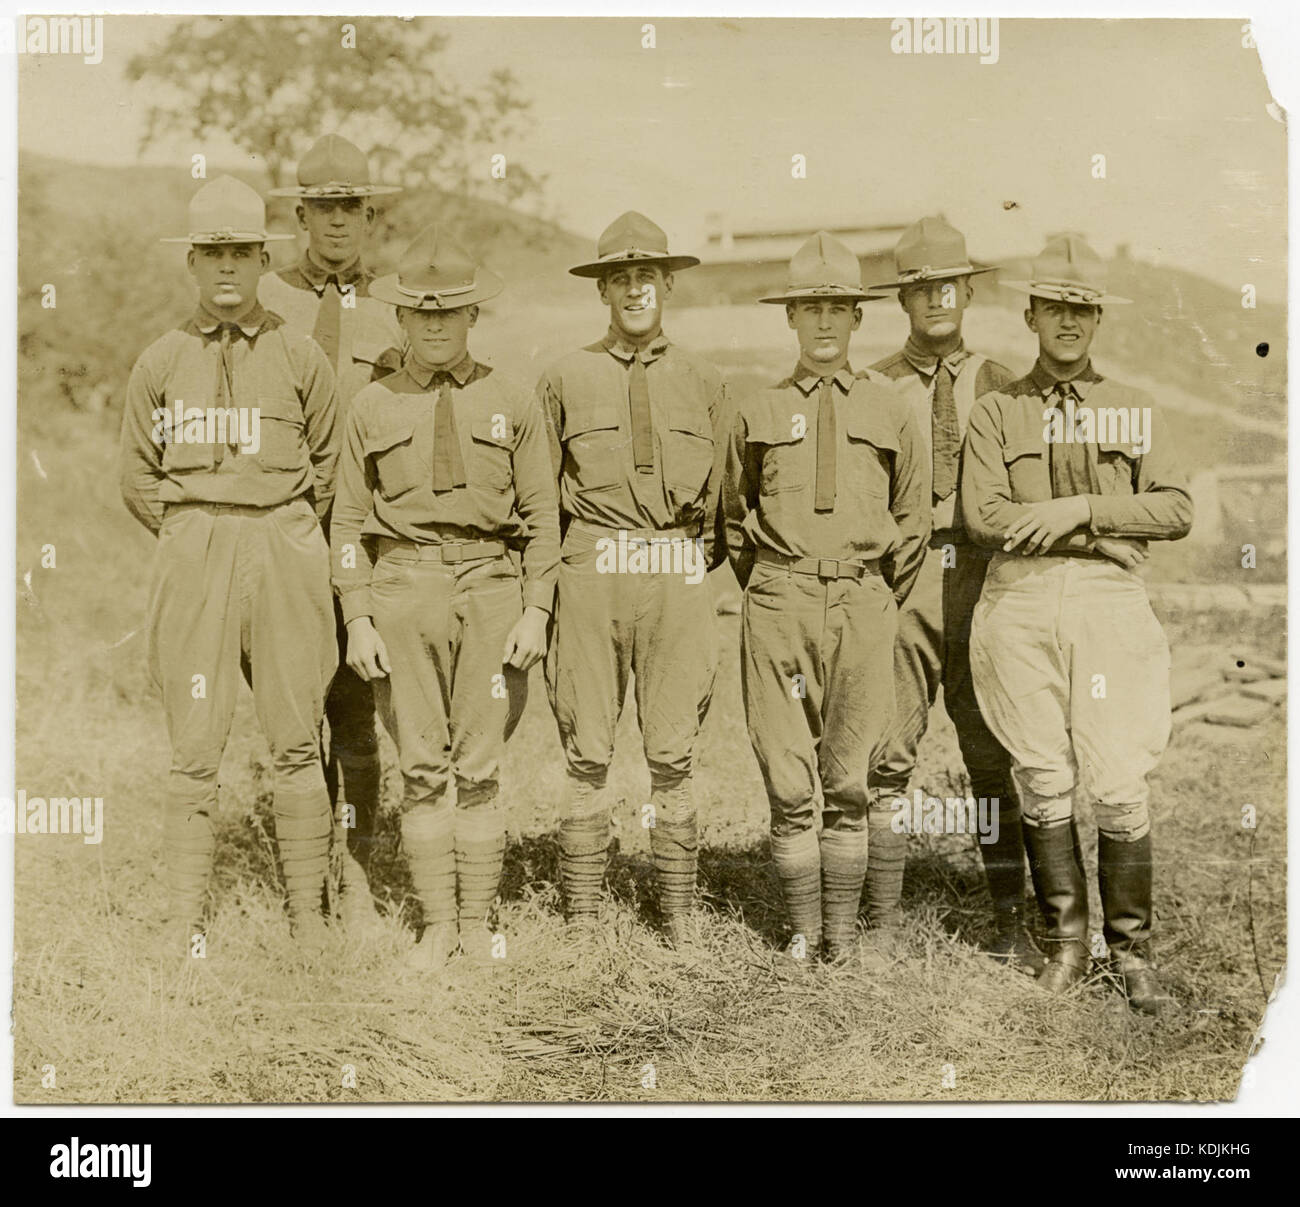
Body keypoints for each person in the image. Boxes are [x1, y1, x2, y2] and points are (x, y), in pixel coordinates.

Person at [961, 234, 1193, 1013]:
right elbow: (984, 516)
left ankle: (1129, 952)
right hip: (1021, 600)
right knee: (1043, 772)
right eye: (1056, 306)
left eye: (1083, 309)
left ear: (1098, 320)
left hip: (1106, 605)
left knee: (1120, 777)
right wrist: (1095, 531)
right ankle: (1064, 944)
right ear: (1030, 313)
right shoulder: (996, 410)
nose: (1069, 320)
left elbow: (1174, 507)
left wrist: (1079, 505)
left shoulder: (1133, 406)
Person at [119, 175, 340, 954]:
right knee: (194, 744)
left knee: (292, 737)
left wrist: (282, 532)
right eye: (211, 253)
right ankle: (186, 920)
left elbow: (330, 461)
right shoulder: (160, 360)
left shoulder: (300, 353)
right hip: (195, 552)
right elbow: (137, 477)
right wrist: (192, 536)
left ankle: (307, 919)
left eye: (241, 253)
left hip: (282, 546)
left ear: (261, 259)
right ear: (190, 261)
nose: (225, 269)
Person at [331, 225, 560, 968]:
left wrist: (537, 607)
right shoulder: (369, 405)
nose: (435, 326)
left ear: (472, 318)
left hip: (492, 586)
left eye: (450, 314)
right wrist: (357, 614)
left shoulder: (513, 399)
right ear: (400, 320)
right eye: (421, 315)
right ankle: (437, 926)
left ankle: (479, 917)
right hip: (402, 587)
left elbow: (544, 515)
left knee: (481, 765)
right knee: (424, 767)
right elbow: (344, 521)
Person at [723, 231, 929, 963]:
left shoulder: (894, 406)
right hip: (777, 601)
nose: (824, 323)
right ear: (789, 318)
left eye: (838, 308)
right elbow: (733, 513)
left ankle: (842, 938)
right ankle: (804, 933)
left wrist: (864, 590)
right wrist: (782, 585)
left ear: (858, 317)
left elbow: (913, 519)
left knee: (849, 777)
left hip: (863, 603)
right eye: (809, 308)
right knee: (787, 775)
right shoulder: (754, 407)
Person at [537, 211, 728, 945]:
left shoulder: (706, 380)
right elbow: (538, 492)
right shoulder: (564, 377)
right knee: (586, 748)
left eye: (647, 275)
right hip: (594, 561)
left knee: (673, 750)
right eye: (621, 277)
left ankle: (676, 912)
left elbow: (723, 502)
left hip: (674, 560)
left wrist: (682, 559)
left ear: (668, 283)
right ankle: (583, 916)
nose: (635, 289)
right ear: (603, 291)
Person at [862, 216, 1035, 968]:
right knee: (886, 750)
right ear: (904, 298)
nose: (936, 297)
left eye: (949, 284)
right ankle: (880, 920)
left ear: (967, 290)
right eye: (921, 287)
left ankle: (1011, 916)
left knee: (993, 750)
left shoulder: (1002, 380)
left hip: (984, 575)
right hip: (906, 577)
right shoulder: (873, 384)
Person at [261, 134, 404, 925]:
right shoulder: (266, 301)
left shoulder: (396, 308)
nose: (339, 221)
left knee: (355, 712)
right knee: (292, 710)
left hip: (366, 534)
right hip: (283, 531)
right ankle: (301, 888)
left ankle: (355, 875)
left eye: (352, 206)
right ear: (299, 214)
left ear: (369, 213)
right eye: (324, 207)